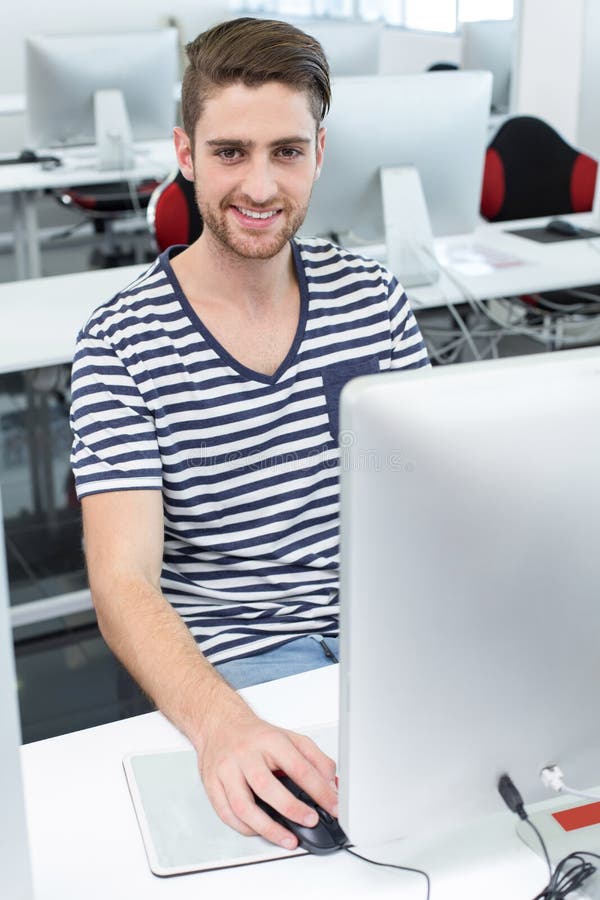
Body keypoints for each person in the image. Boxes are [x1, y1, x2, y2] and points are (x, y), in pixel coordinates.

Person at [70, 17, 429, 851]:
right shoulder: (121, 343)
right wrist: (221, 724)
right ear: (186, 154)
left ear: (319, 153)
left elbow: (418, 504)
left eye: (286, 152)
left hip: (387, 637)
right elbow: (122, 579)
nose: (261, 187)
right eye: (231, 152)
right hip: (242, 666)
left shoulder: (373, 301)